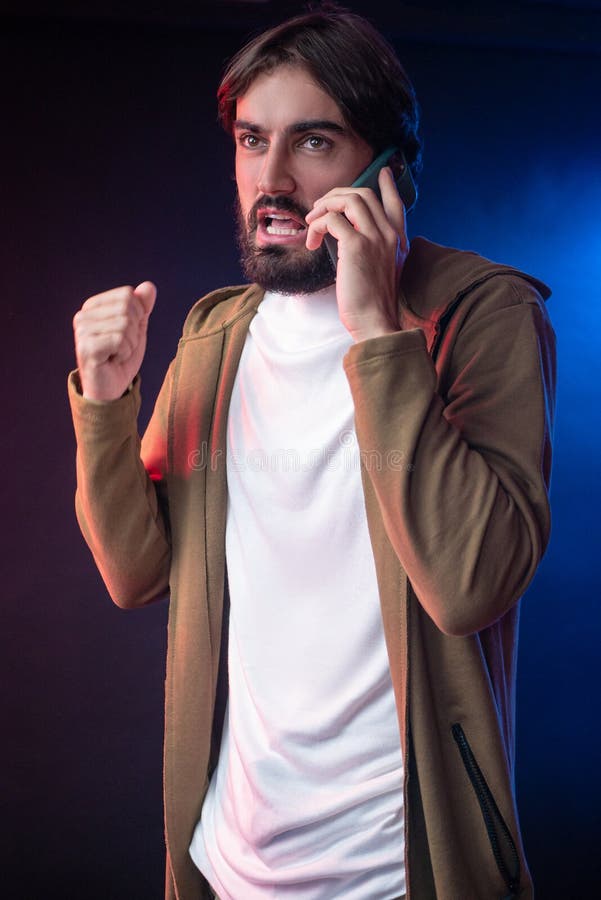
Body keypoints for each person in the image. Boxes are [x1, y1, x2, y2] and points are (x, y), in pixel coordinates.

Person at [68, 5, 556, 899]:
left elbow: (469, 586)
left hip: (395, 873)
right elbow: (135, 574)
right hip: (224, 864)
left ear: (387, 168)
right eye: (252, 141)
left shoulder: (482, 316)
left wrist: (377, 333)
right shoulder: (217, 334)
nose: (272, 179)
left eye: (313, 142)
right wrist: (104, 403)